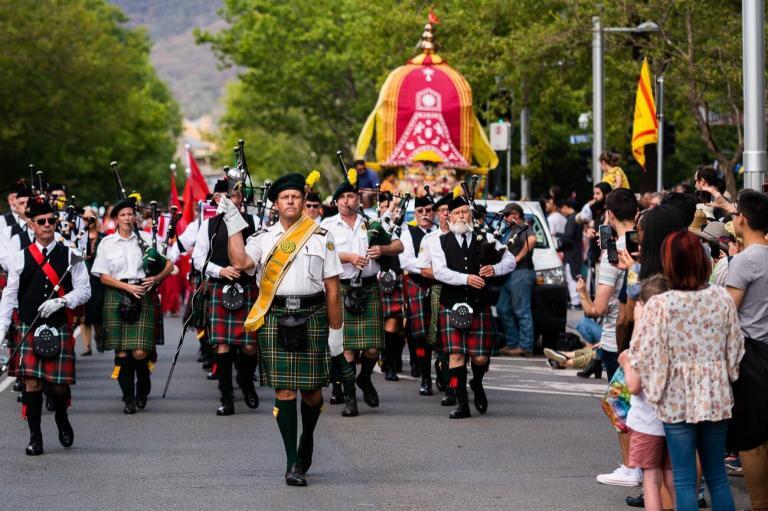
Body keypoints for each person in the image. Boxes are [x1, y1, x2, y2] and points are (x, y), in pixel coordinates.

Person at [221, 172, 344, 487]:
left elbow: (332, 289)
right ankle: (292, 460)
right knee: (285, 391)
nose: (291, 201)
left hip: (314, 315)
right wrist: (233, 221)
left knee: (313, 394)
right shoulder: (262, 237)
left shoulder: (321, 235)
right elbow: (241, 262)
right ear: (275, 204)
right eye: (284, 197)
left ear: (303, 201)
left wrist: (336, 336)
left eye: (295, 196)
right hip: (275, 316)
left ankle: (308, 438)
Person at [632, 230, 744, 511]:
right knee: (717, 477)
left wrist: (656, 390)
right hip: (715, 394)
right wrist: (724, 375)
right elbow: (736, 350)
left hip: (676, 398)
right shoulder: (721, 298)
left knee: (683, 480)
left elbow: (645, 354)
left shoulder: (660, 304)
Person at [0, 196, 91, 455]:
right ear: (32, 225)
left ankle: (61, 417)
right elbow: (9, 297)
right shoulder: (19, 259)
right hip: (29, 326)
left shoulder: (71, 254)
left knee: (59, 386)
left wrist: (63, 300)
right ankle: (35, 437)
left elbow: (85, 291)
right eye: (42, 222)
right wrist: (1, 329)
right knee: (32, 384)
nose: (48, 225)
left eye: (52, 220)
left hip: (58, 325)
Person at [423, 195, 515, 418]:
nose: (461, 216)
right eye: (457, 213)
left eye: (465, 211)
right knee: (455, 357)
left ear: (471, 215)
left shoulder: (485, 238)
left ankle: (477, 382)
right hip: (451, 305)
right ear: (449, 216)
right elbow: (440, 272)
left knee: (481, 357)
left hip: (479, 306)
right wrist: (466, 279)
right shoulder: (438, 241)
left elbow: (510, 261)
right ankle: (462, 404)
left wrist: (495, 270)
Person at [321, 171, 403, 414]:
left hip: (369, 288)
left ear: (358, 200)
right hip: (342, 289)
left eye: (351, 196)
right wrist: (347, 257)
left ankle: (364, 379)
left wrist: (382, 248)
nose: (347, 201)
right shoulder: (327, 226)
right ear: (336, 202)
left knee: (372, 348)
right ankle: (350, 400)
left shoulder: (372, 223)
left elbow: (399, 246)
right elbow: (318, 256)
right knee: (347, 349)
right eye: (343, 197)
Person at [579, 188, 642, 487]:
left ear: (610, 215)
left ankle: (631, 467)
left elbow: (599, 308)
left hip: (616, 339)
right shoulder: (645, 246)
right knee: (642, 407)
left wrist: (581, 294)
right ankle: (644, 465)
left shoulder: (612, 253)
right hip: (642, 335)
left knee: (621, 405)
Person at [91, 195, 173, 414]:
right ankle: (128, 398)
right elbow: (103, 276)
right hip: (117, 294)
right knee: (122, 353)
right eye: (122, 215)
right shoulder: (106, 243)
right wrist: (127, 288)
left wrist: (156, 279)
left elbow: (170, 265)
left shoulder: (147, 239)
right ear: (116, 219)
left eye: (130, 214)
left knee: (139, 352)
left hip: (143, 294)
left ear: (135, 217)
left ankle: (142, 386)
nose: (127, 218)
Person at [193, 180, 260, 415]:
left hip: (247, 286)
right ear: (216, 199)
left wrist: (245, 267)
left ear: (242, 198)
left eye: (237, 195)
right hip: (221, 287)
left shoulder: (254, 222)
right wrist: (219, 270)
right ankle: (226, 396)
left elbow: (262, 255)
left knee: (251, 346)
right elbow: (198, 259)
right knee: (223, 346)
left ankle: (245, 381)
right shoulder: (209, 225)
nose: (233, 199)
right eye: (228, 195)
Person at [725, 190, 768, 511]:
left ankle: (759, 504)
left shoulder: (744, 261)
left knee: (753, 442)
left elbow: (727, 312)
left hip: (750, 355)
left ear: (742, 218)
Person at [620, 275, 675, 511]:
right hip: (673, 420)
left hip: (646, 423)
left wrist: (626, 363)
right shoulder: (676, 335)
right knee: (673, 478)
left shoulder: (644, 340)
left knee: (651, 480)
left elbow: (633, 385)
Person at [416, 194, 453, 404]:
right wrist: (449, 275)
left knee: (454, 344)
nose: (446, 214)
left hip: (463, 291)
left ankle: (452, 385)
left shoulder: (466, 236)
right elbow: (424, 269)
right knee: (433, 339)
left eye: (450, 210)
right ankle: (426, 378)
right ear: (437, 214)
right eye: (442, 211)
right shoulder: (430, 239)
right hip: (439, 291)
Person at [399, 194, 436, 394]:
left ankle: (443, 373)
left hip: (439, 285)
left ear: (434, 212)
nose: (424, 215)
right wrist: (427, 269)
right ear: (415, 213)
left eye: (428, 210)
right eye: (420, 211)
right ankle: (425, 377)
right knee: (420, 335)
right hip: (418, 284)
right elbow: (405, 261)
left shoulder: (440, 232)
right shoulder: (408, 233)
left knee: (437, 334)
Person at [496, 202, 537, 357]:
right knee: (503, 308)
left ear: (515, 215)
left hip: (521, 273)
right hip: (510, 275)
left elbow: (532, 240)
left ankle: (526, 346)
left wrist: (518, 257)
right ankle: (512, 343)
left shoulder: (524, 227)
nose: (505, 218)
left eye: (507, 215)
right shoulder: (511, 230)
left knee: (522, 310)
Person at [79, 207, 105, 355]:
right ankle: (87, 346)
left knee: (98, 316)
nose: (88, 221)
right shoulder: (78, 237)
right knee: (84, 317)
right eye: (84, 218)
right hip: (82, 280)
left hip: (98, 280)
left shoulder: (103, 238)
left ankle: (98, 336)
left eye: (91, 218)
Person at [556, 198, 582, 309]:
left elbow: (568, 236)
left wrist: (558, 235)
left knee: (572, 277)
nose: (562, 211)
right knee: (573, 275)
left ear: (566, 207)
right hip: (575, 251)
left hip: (571, 252)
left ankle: (575, 301)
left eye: (562, 209)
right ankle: (576, 300)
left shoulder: (572, 219)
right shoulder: (576, 217)